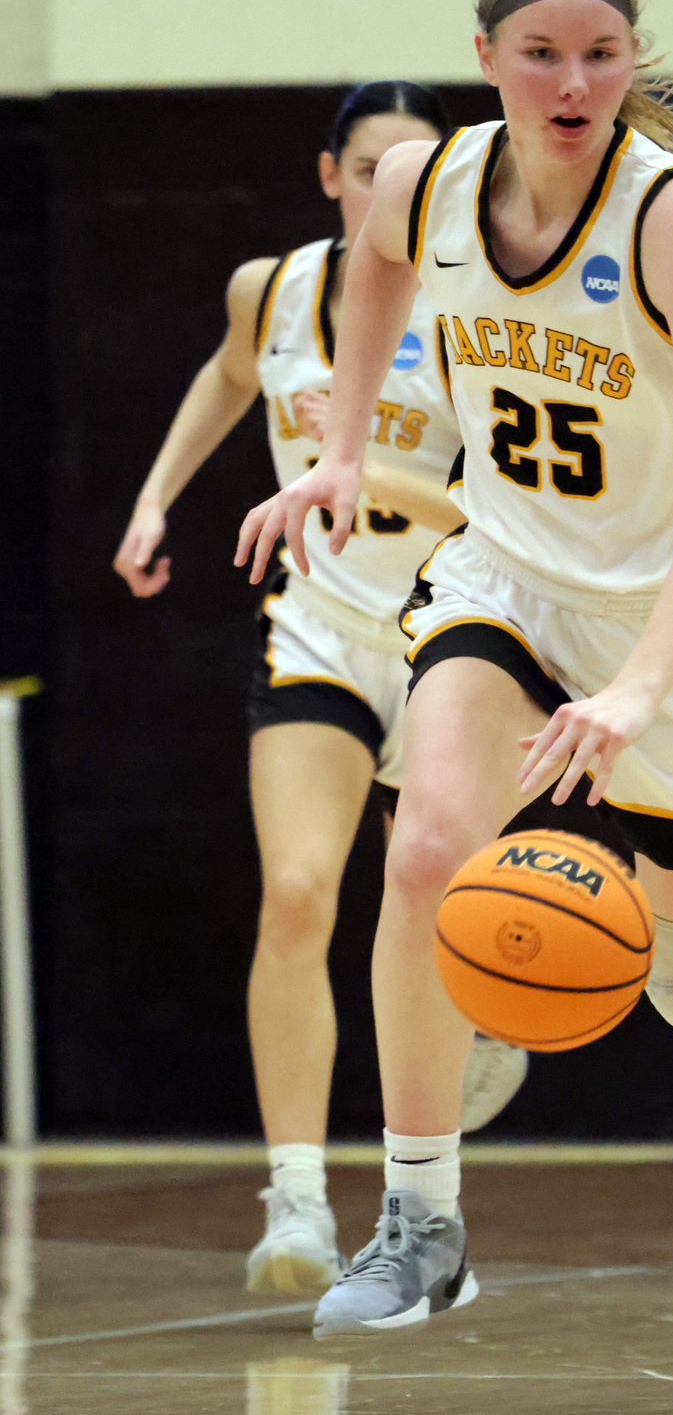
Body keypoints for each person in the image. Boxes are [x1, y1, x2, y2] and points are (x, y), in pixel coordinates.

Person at [235, 0, 673, 1410]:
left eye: (600, 54)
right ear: (487, 61)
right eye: (542, 54)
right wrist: (346, 446)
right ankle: (422, 1214)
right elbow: (371, 267)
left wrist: (637, 686)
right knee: (427, 849)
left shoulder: (671, 215)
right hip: (504, 576)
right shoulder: (427, 178)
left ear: (629, 61)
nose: (573, 81)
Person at [113, 82, 529, 1299]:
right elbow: (227, 375)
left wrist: (401, 493)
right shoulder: (274, 288)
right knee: (297, 894)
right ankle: (294, 1202)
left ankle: (423, 1201)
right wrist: (154, 498)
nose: (386, 190)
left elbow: (523, 506)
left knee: (439, 925)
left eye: (413, 169)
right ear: (331, 176)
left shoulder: (474, 310)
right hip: (322, 630)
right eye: (367, 169)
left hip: (456, 634)